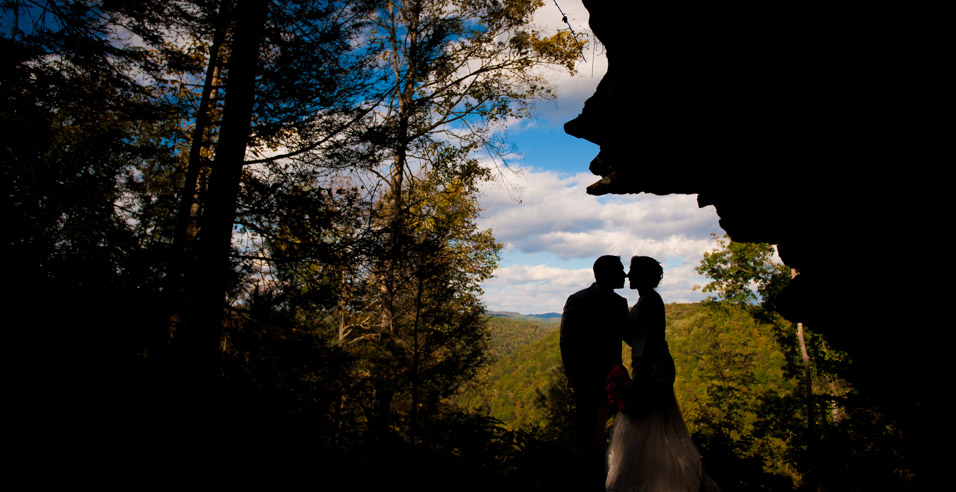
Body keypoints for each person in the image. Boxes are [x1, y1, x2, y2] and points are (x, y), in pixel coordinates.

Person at [605, 256, 719, 492]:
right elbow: (635, 337)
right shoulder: (647, 300)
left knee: (651, 424)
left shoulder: (650, 302)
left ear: (644, 276)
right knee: (651, 426)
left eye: (633, 272)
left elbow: (652, 343)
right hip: (647, 366)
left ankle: (653, 480)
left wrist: (640, 379)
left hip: (652, 370)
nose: (628, 276)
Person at [560, 255, 629, 491]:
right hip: (587, 381)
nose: (625, 275)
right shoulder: (578, 300)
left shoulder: (620, 303)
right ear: (606, 273)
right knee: (587, 440)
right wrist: (575, 378)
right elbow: (567, 342)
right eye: (621, 270)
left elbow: (627, 336)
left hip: (613, 381)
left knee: (611, 438)